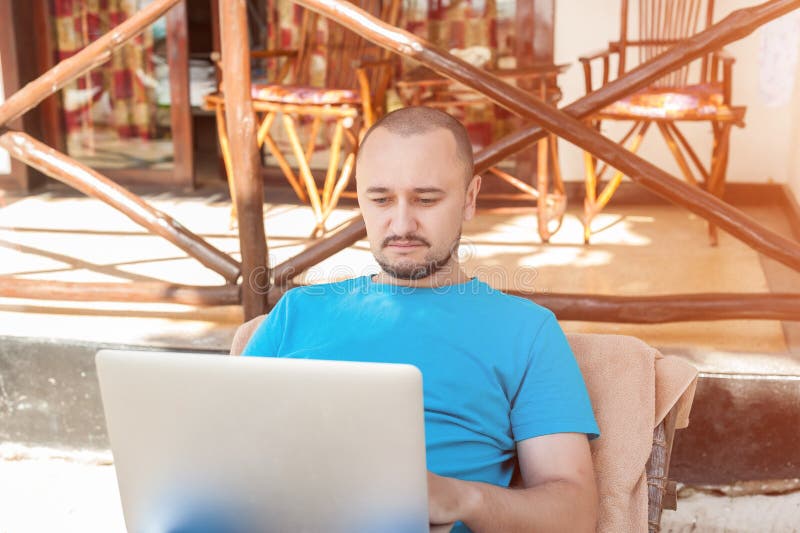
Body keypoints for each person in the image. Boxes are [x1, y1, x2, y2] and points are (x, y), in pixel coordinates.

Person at [242, 106, 600, 532]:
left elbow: (575, 513)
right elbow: (220, 445)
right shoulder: (295, 312)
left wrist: (461, 498)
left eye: (426, 199)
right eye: (380, 200)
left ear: (469, 198)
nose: (401, 223)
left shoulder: (527, 331)